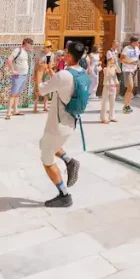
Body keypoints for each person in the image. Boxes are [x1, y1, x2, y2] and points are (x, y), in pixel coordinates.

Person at [35, 40, 88, 208]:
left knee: (47, 160)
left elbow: (40, 90)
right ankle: (69, 161)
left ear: (69, 56)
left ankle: (64, 195)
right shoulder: (82, 72)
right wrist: (53, 73)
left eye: (65, 53)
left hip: (57, 126)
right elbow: (62, 85)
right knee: (44, 143)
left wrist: (39, 72)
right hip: (70, 122)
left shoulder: (64, 74)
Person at [4, 38, 33, 119]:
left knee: (18, 94)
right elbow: (9, 60)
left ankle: (15, 110)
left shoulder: (26, 53)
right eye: (30, 44)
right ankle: (8, 112)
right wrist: (13, 70)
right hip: (18, 76)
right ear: (25, 43)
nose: (31, 46)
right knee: (13, 94)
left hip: (24, 75)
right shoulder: (17, 50)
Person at [121, 37, 140, 113]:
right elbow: (121, 59)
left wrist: (139, 64)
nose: (138, 43)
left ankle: (128, 105)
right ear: (133, 42)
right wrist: (130, 63)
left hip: (134, 70)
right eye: (137, 42)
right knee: (130, 87)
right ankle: (125, 106)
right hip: (127, 70)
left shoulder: (137, 49)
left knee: (131, 88)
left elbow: (137, 58)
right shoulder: (126, 49)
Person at [100, 48, 119, 124]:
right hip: (107, 86)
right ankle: (103, 117)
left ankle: (112, 116)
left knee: (112, 102)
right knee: (105, 102)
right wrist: (109, 65)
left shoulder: (114, 68)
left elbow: (119, 71)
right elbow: (107, 74)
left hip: (113, 85)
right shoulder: (105, 68)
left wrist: (116, 64)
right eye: (112, 60)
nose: (113, 61)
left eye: (113, 60)